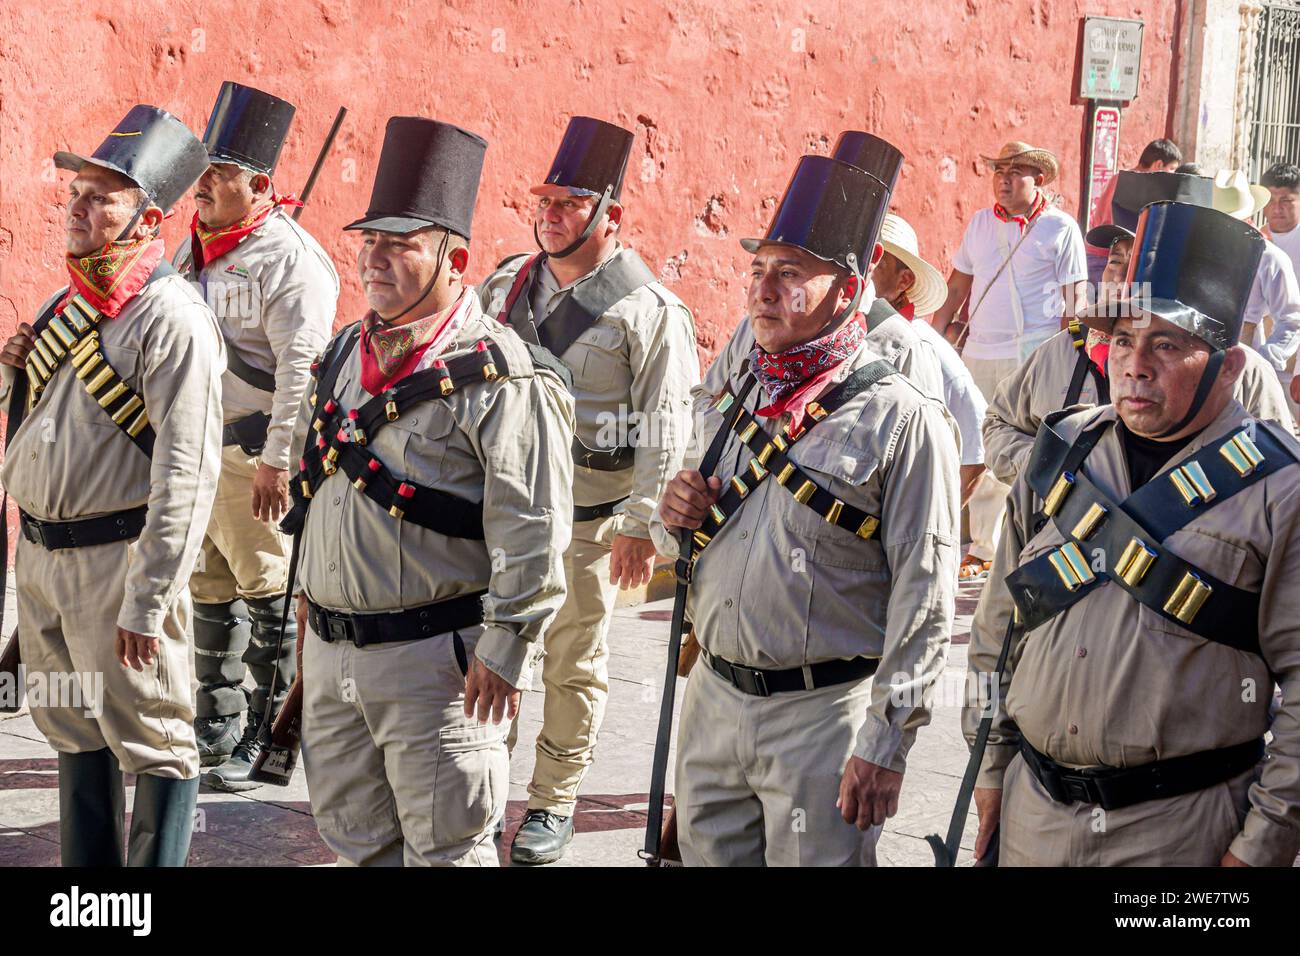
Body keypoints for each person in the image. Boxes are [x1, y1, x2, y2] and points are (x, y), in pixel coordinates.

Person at [963, 200, 1300, 866]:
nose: (1134, 364)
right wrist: (989, 766)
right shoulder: (1061, 451)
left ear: (1228, 367)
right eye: (1122, 340)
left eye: (1166, 344)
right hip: (1035, 815)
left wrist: (1263, 844)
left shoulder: (1279, 490)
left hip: (1180, 834)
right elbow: (999, 626)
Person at [652, 154, 960, 866]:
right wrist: (676, 517)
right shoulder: (739, 376)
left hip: (824, 716)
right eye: (760, 269)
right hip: (714, 696)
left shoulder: (904, 419)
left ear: (849, 288)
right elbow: (689, 533)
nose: (765, 290)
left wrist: (887, 743)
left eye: (790, 274)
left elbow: (927, 594)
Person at [287, 117, 574, 867]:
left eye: (401, 243)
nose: (375, 259)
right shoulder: (347, 350)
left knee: (448, 849)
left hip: (437, 665)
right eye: (370, 240)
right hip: (334, 653)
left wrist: (508, 648)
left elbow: (534, 529)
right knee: (357, 845)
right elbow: (317, 485)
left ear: (457, 260)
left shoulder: (501, 375)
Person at [0, 106, 222, 865]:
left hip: (118, 563)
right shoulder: (62, 305)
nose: (79, 208)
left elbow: (187, 474)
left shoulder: (172, 318)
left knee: (153, 737)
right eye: (76, 194)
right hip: (44, 559)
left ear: (149, 218)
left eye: (103, 197)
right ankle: (96, 906)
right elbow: (34, 430)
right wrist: (12, 373)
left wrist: (151, 597)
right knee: (71, 728)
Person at [477, 117, 699, 864]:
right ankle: (482, 785)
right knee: (490, 648)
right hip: (499, 516)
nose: (551, 215)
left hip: (589, 521)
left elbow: (666, 427)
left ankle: (552, 802)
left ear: (612, 217)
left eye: (570, 203)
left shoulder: (649, 310)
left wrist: (643, 524)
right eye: (544, 201)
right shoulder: (506, 283)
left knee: (574, 661)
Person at [174, 82, 339, 789]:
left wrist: (279, 461)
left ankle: (263, 732)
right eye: (202, 170)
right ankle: (212, 722)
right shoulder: (197, 248)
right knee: (209, 586)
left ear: (261, 184)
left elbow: (300, 373)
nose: (202, 184)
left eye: (220, 173)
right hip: (198, 450)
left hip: (254, 458)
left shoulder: (291, 260)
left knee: (270, 593)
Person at [983, 171, 1295, 488]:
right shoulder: (1062, 351)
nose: (1120, 277)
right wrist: (1049, 467)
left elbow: (1281, 476)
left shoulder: (1241, 371)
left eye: (1139, 262)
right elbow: (998, 423)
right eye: (1115, 260)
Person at [931, 140, 1088, 580]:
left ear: (1037, 179)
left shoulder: (1060, 228)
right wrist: (932, 334)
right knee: (978, 444)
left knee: (1027, 447)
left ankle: (1017, 540)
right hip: (981, 350)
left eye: (1014, 172)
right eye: (998, 171)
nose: (1003, 179)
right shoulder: (980, 225)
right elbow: (957, 285)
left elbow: (1073, 302)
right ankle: (981, 544)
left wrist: (1070, 359)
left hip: (1034, 354)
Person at [872, 212, 988, 539]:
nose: (862, 272)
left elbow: (977, 436)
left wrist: (935, 526)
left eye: (877, 263)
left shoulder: (925, 346)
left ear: (904, 281)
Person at [1084, 138, 1182, 278]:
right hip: (1109, 258)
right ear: (1159, 164)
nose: (1173, 176)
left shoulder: (1118, 178)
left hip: (1098, 253)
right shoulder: (1139, 187)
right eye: (1172, 169)